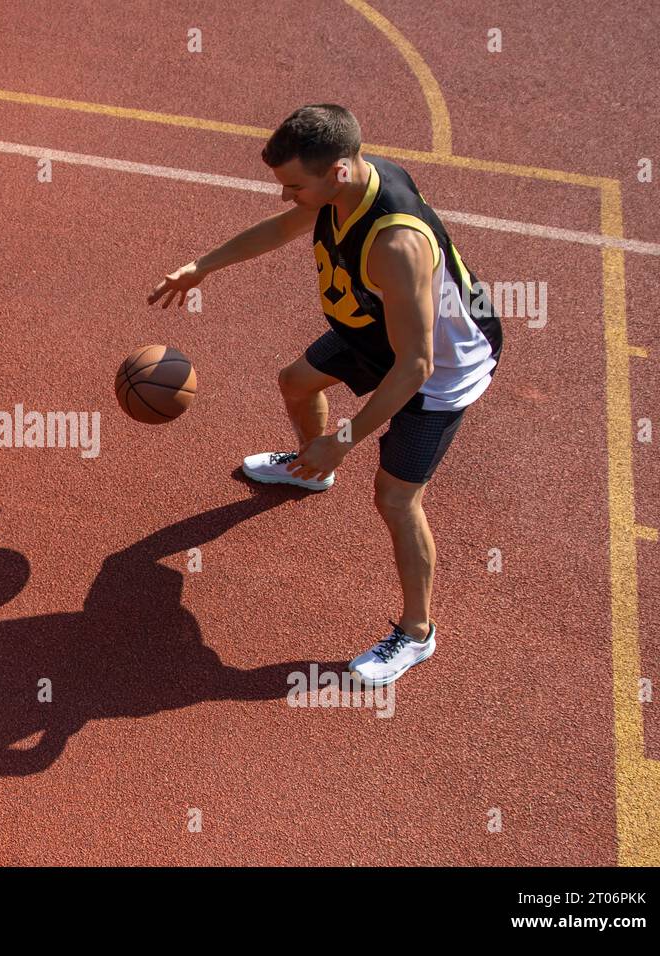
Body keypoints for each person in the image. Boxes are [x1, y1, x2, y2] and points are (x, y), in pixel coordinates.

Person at [147, 103, 502, 686]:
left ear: (338, 170)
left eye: (293, 185)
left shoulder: (395, 244)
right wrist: (202, 266)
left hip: (439, 371)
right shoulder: (345, 186)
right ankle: (311, 471)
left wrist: (345, 439)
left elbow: (416, 364)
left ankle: (416, 635)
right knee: (295, 382)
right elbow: (282, 228)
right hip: (372, 328)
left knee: (394, 497)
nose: (287, 197)